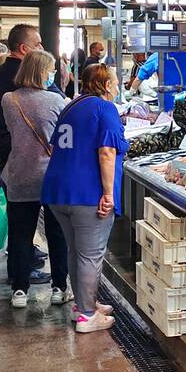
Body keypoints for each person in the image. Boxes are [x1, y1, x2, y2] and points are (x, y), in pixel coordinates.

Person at [41, 63, 127, 333]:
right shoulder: (105, 108)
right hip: (87, 194)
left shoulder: (71, 106)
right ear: (106, 84)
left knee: (75, 251)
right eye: (113, 81)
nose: (115, 85)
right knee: (90, 255)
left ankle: (83, 304)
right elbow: (106, 152)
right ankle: (87, 316)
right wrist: (108, 193)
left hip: (57, 191)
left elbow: (53, 145)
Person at [1, 49, 71, 309]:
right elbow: (65, 140)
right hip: (50, 175)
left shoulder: (9, 100)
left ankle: (19, 290)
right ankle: (59, 287)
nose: (53, 73)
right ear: (43, 72)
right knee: (57, 233)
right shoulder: (56, 101)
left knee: (20, 235)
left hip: (19, 175)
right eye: (51, 69)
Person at [0, 24, 43, 168]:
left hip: (6, 143)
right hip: (23, 149)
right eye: (38, 44)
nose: (42, 49)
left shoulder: (1, 70)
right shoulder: (24, 73)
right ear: (24, 48)